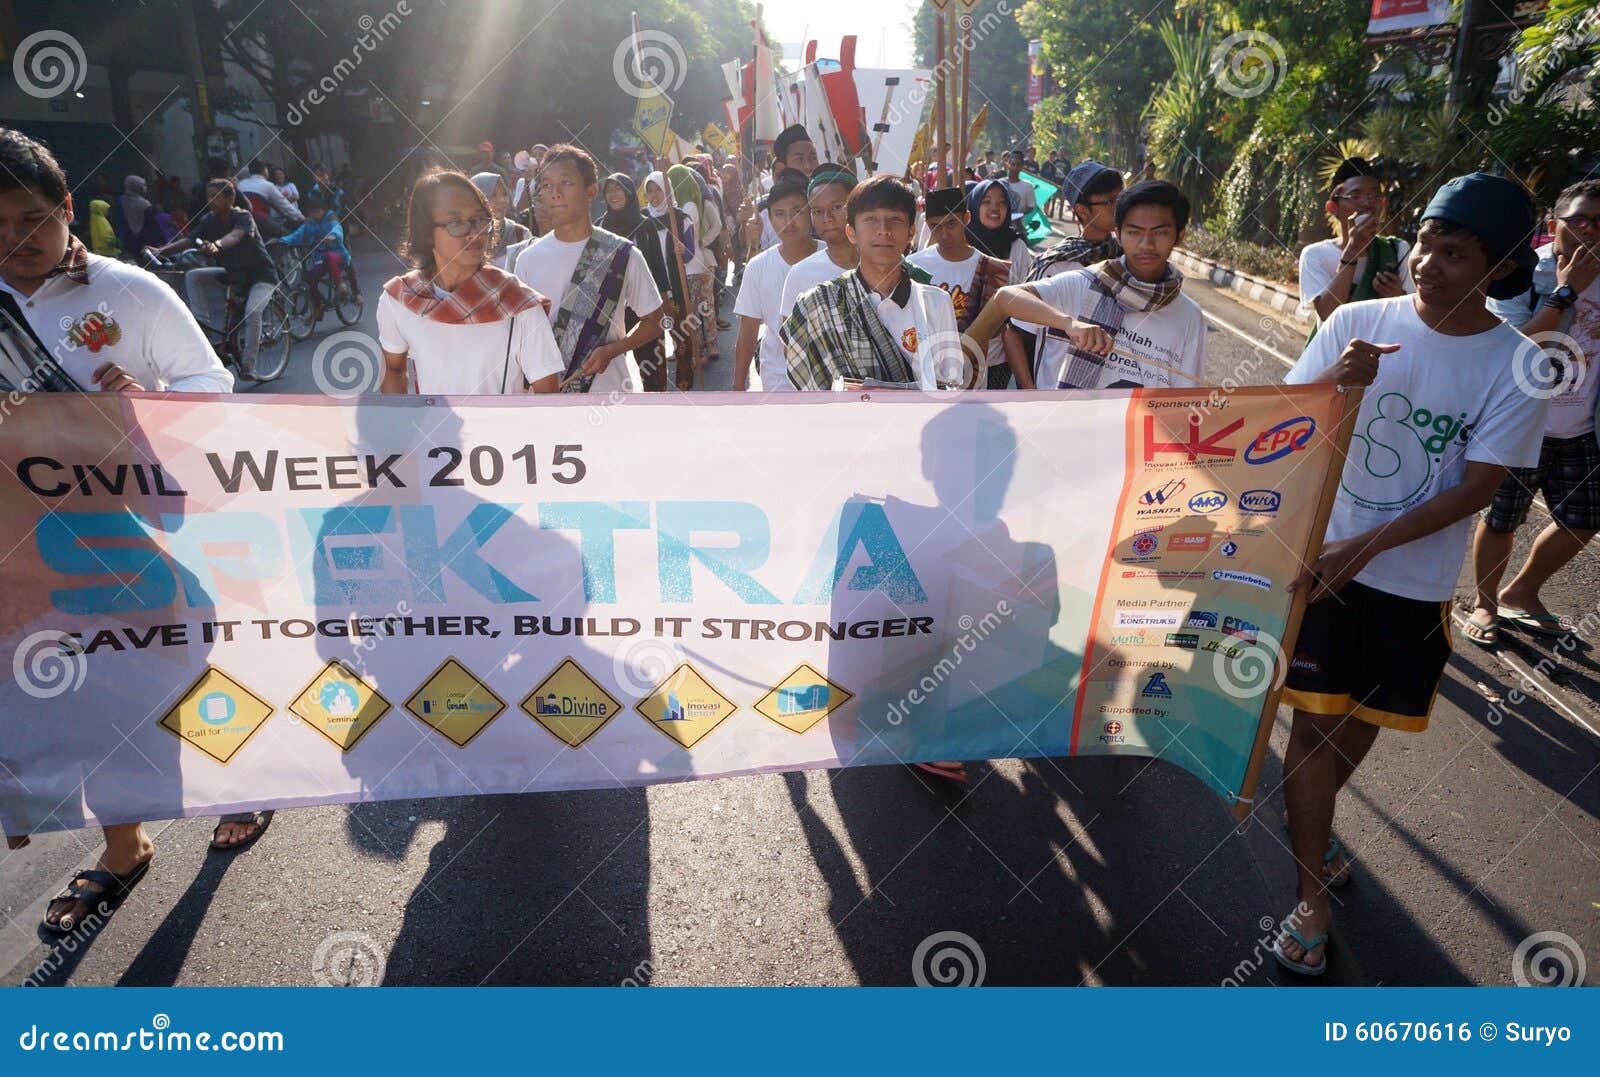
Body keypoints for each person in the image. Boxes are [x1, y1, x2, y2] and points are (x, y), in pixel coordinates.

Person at [1272, 173, 1546, 977]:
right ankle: (1308, 900)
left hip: (1414, 587)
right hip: (1320, 566)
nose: (1426, 260)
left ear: (1497, 269)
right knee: (1312, 729)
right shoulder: (1355, 323)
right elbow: (1287, 430)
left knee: (1359, 724)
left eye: (1454, 252)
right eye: (1425, 240)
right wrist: (1340, 388)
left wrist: (1363, 550)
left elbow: (1476, 487)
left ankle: (1312, 828)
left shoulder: (1517, 364)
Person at [0, 128, 241, 931]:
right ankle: (124, 843)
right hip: (27, 537)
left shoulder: (130, 292)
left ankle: (250, 783)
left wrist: (149, 403)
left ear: (68, 208)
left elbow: (212, 380)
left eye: (32, 220)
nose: (18, 242)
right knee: (76, 687)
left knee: (181, 655)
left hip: (132, 522)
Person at [1465, 179, 1600, 644]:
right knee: (1503, 518)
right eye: (1580, 220)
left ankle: (1521, 592)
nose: (1591, 232)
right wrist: (1566, 292)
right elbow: (1511, 352)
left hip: (1583, 426)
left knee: (1583, 519)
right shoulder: (1522, 274)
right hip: (1523, 424)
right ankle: (1484, 604)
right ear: (1552, 225)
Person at [971, 180, 1203, 392]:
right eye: (1134, 232)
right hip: (1065, 429)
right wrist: (1068, 323)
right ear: (1118, 234)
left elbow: (1183, 398)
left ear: (1179, 236)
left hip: (1135, 436)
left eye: (1160, 233)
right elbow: (1005, 298)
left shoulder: (1189, 315)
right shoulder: (1083, 283)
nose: (1146, 244)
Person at [379, 169, 562, 395]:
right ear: (426, 232)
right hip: (429, 430)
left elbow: (547, 395)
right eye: (456, 223)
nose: (474, 234)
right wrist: (399, 423)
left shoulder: (518, 302)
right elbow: (394, 369)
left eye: (479, 220)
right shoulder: (400, 298)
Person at [781, 176, 966, 391]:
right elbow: (810, 391)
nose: (883, 230)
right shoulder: (816, 305)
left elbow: (950, 387)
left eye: (895, 219)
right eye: (870, 219)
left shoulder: (936, 302)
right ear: (851, 232)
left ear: (911, 233)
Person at [513, 145, 665, 395]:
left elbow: (655, 320)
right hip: (547, 397)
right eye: (547, 185)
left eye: (566, 182)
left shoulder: (622, 254)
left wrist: (612, 350)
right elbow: (520, 337)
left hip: (608, 394)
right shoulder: (527, 260)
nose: (555, 193)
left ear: (591, 191)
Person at [1002, 160, 1125, 378]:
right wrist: (1030, 392)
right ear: (1082, 211)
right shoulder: (1054, 265)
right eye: (1110, 201)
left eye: (1122, 199)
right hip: (1055, 392)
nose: (1120, 208)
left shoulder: (1127, 260)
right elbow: (1016, 334)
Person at [152, 179, 281, 379]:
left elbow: (235, 236)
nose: (210, 201)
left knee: (252, 314)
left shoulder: (243, 217)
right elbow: (188, 240)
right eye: (208, 197)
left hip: (260, 276)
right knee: (194, 276)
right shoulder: (208, 220)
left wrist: (217, 245)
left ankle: (249, 365)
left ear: (229, 198)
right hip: (232, 274)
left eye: (215, 197)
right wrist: (161, 250)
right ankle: (203, 323)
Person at [907, 185, 1011, 388]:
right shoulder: (914, 266)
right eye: (936, 226)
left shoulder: (992, 269)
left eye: (951, 224)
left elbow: (998, 329)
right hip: (924, 375)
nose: (944, 234)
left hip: (975, 376)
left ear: (966, 219)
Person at [1298, 157, 1411, 325]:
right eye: (1355, 195)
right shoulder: (1315, 255)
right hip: (1336, 351)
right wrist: (1352, 251)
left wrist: (1398, 296)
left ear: (1383, 203)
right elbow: (1328, 314)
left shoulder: (1397, 249)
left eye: (1374, 195)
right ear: (1333, 208)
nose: (1367, 203)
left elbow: (1413, 313)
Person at [733, 171, 815, 391]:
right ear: (770, 218)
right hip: (778, 378)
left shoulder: (833, 258)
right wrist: (738, 387)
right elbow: (748, 331)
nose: (789, 221)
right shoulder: (758, 267)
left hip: (829, 379)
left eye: (797, 211)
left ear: (811, 212)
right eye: (779, 213)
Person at [634, 169, 696, 390]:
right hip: (650, 290)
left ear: (668, 190)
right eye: (649, 191)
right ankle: (656, 390)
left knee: (681, 339)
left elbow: (690, 254)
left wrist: (683, 250)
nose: (654, 195)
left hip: (676, 289)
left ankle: (684, 385)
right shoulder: (641, 220)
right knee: (653, 342)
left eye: (658, 189)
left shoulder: (680, 218)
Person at [778, 167, 862, 320]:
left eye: (837, 207)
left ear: (857, 207)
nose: (827, 217)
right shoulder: (800, 275)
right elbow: (793, 342)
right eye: (817, 211)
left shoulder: (885, 264)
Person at [748, 124, 819, 254]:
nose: (808, 166)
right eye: (799, 159)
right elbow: (755, 262)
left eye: (813, 158)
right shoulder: (764, 210)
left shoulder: (826, 201)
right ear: (782, 166)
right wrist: (753, 243)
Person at [279, 193, 355, 300]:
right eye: (311, 213)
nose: (314, 215)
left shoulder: (331, 218)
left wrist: (333, 236)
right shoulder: (310, 222)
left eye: (316, 212)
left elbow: (336, 228)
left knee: (329, 256)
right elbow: (298, 234)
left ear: (323, 211)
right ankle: (318, 306)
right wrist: (282, 240)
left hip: (338, 256)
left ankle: (340, 285)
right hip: (320, 259)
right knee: (310, 281)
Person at [966, 177, 1033, 285]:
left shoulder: (1017, 247)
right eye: (987, 202)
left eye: (1002, 203)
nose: (994, 208)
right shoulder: (961, 241)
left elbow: (1027, 288)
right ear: (975, 207)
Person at [471, 171, 531, 271]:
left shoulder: (519, 234)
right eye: (493, 195)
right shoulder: (467, 236)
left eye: (504, 194)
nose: (502, 200)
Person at [238, 158, 303, 234]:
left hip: (241, 221)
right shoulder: (268, 185)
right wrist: (301, 218)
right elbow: (284, 204)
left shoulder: (241, 184)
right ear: (264, 170)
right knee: (286, 234)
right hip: (260, 220)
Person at [111, 174, 164, 255]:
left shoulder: (120, 201)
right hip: (146, 242)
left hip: (128, 241)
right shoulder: (145, 204)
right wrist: (162, 241)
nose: (146, 187)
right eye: (143, 185)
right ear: (136, 187)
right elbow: (153, 225)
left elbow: (118, 221)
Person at [1003, 150, 1039, 220]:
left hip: (1017, 224)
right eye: (1013, 164)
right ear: (1008, 165)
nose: (1015, 168)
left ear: (1022, 167)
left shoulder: (1028, 186)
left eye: (1018, 165)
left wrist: (1017, 215)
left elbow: (1030, 206)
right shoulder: (1000, 183)